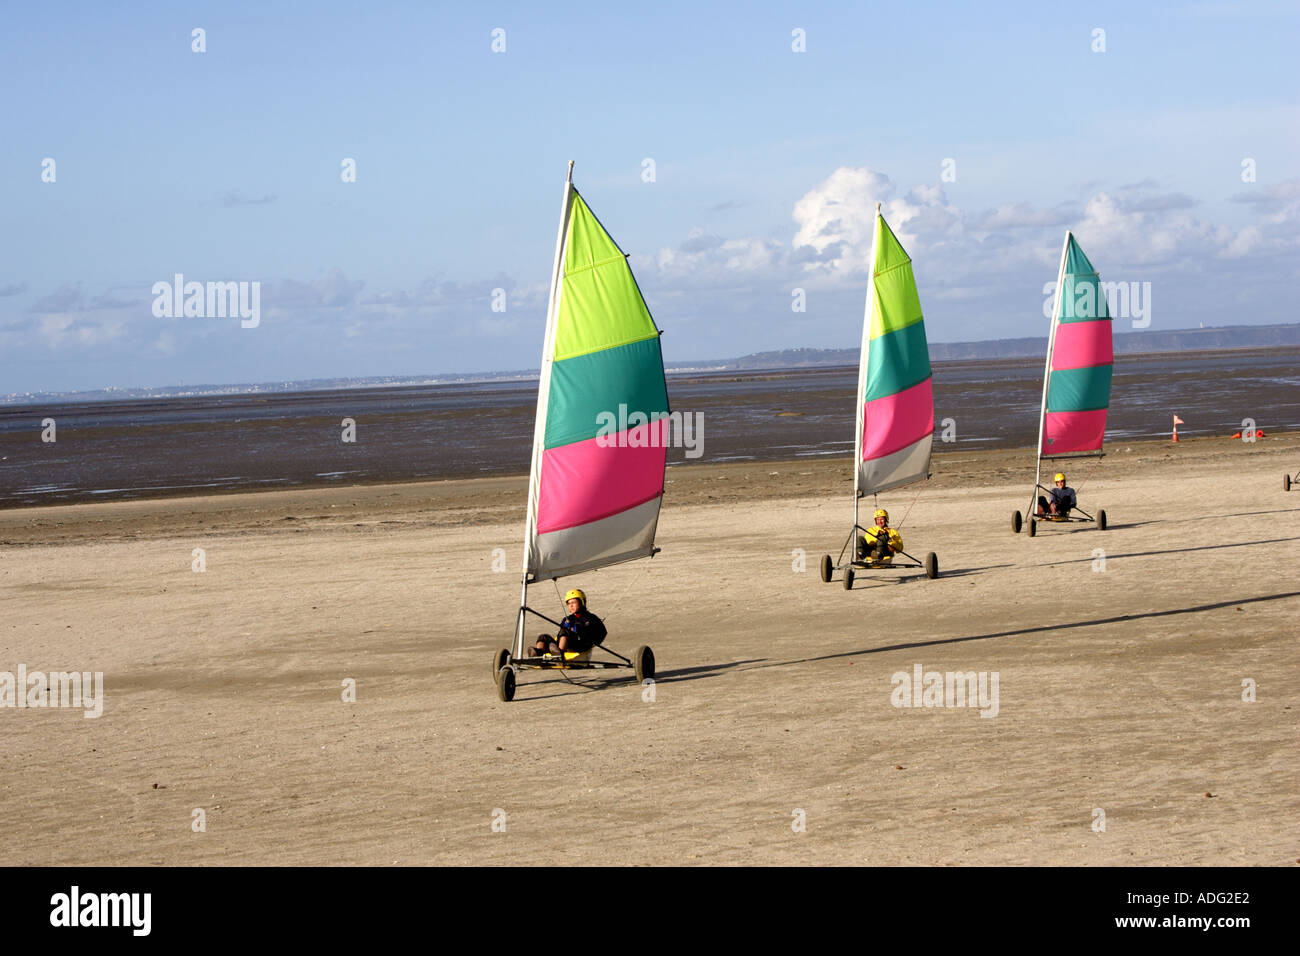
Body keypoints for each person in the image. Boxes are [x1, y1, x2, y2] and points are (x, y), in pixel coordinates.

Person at [530, 588, 607, 657]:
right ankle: (539, 653)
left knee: (565, 631)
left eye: (574, 602)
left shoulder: (591, 618)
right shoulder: (567, 619)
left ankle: (560, 654)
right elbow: (560, 635)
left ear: (581, 602)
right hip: (566, 643)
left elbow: (603, 632)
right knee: (543, 637)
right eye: (569, 603)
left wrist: (591, 643)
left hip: (580, 645)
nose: (571, 606)